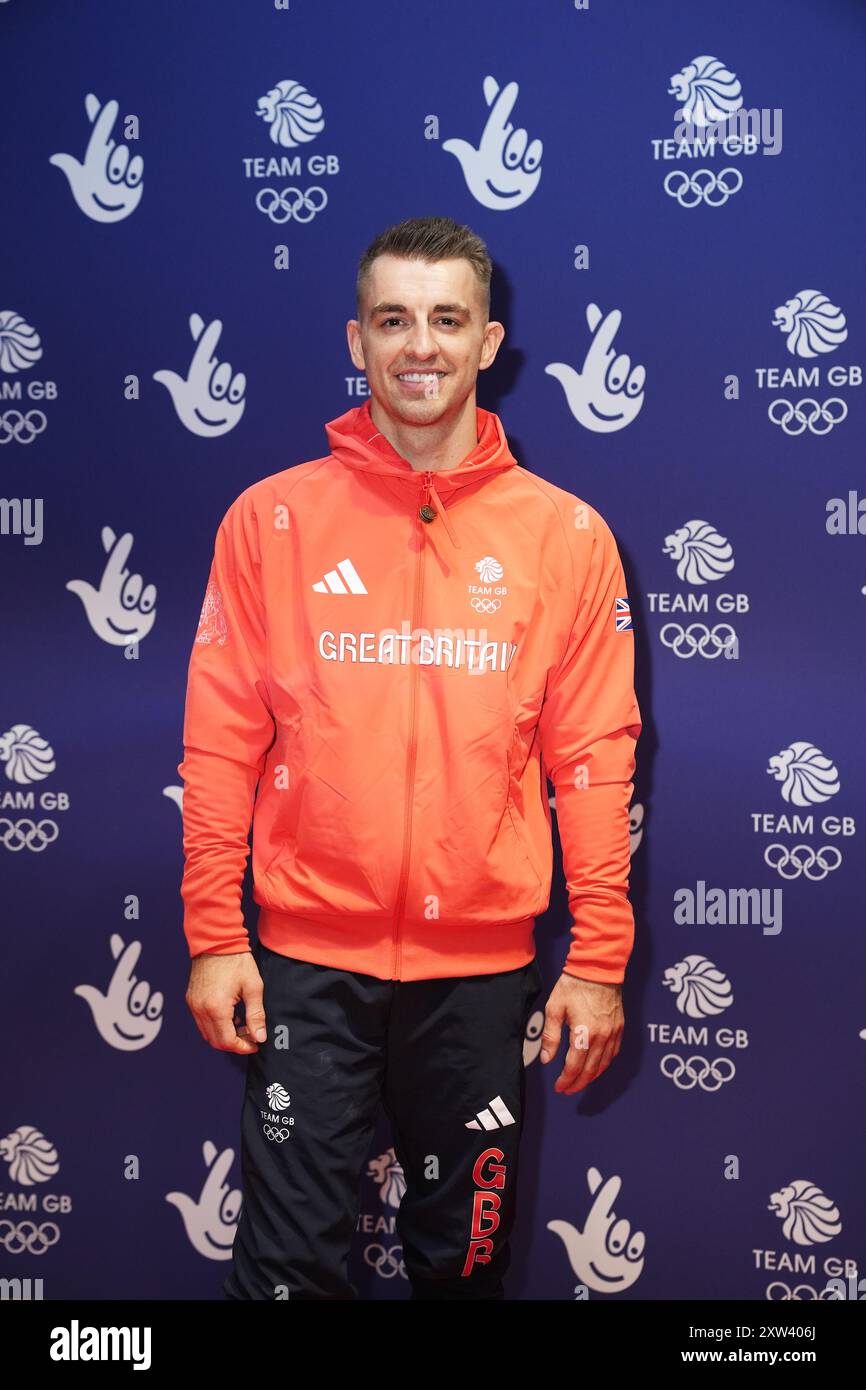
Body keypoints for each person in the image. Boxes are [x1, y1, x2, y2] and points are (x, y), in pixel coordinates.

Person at [177, 215, 642, 1300]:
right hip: (304, 967)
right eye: (393, 320)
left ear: (489, 343)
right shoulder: (270, 520)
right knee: (284, 1271)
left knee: (464, 1268)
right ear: (356, 339)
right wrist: (213, 930)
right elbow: (218, 745)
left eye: (446, 319)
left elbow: (593, 757)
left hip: (480, 978)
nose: (418, 346)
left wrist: (599, 956)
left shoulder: (565, 536)